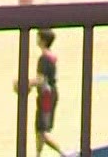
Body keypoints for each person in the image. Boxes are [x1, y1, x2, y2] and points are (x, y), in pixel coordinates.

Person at [30, 27, 62, 156]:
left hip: (46, 96)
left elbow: (41, 80)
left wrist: (25, 83)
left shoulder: (43, 58)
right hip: (50, 94)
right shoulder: (51, 57)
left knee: (42, 131)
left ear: (42, 40)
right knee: (39, 130)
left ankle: (64, 153)